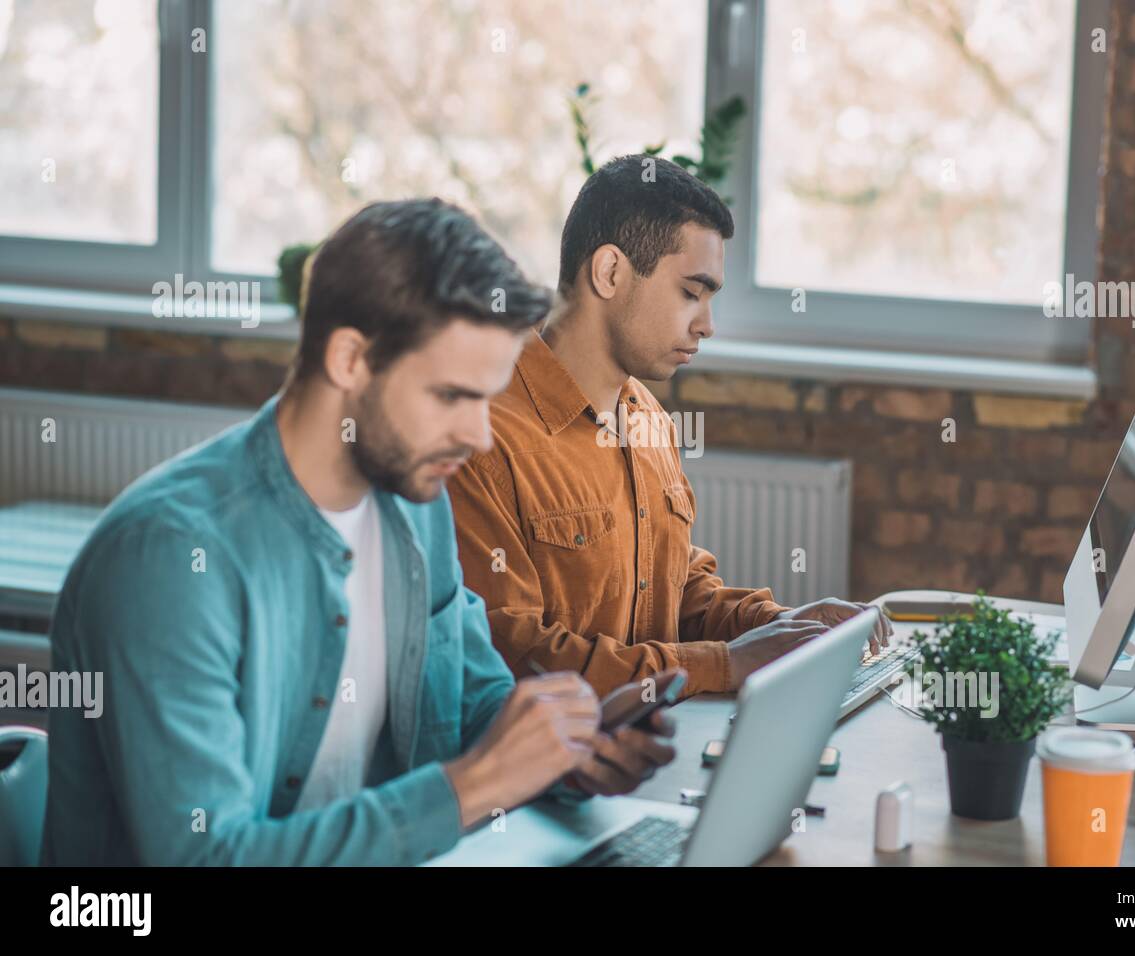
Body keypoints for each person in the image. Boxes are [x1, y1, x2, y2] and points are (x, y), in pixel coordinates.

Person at [41, 198, 675, 866]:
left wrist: (567, 752)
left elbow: (469, 699)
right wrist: (476, 785)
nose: (480, 436)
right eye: (452, 397)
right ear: (350, 359)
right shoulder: (170, 557)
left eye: (487, 400)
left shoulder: (415, 501)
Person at [448, 156, 891, 699]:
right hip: (558, 768)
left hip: (656, 742)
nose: (707, 325)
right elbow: (514, 657)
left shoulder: (649, 419)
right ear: (609, 272)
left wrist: (786, 627)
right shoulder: (483, 436)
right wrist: (724, 665)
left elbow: (677, 595)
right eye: (691, 292)